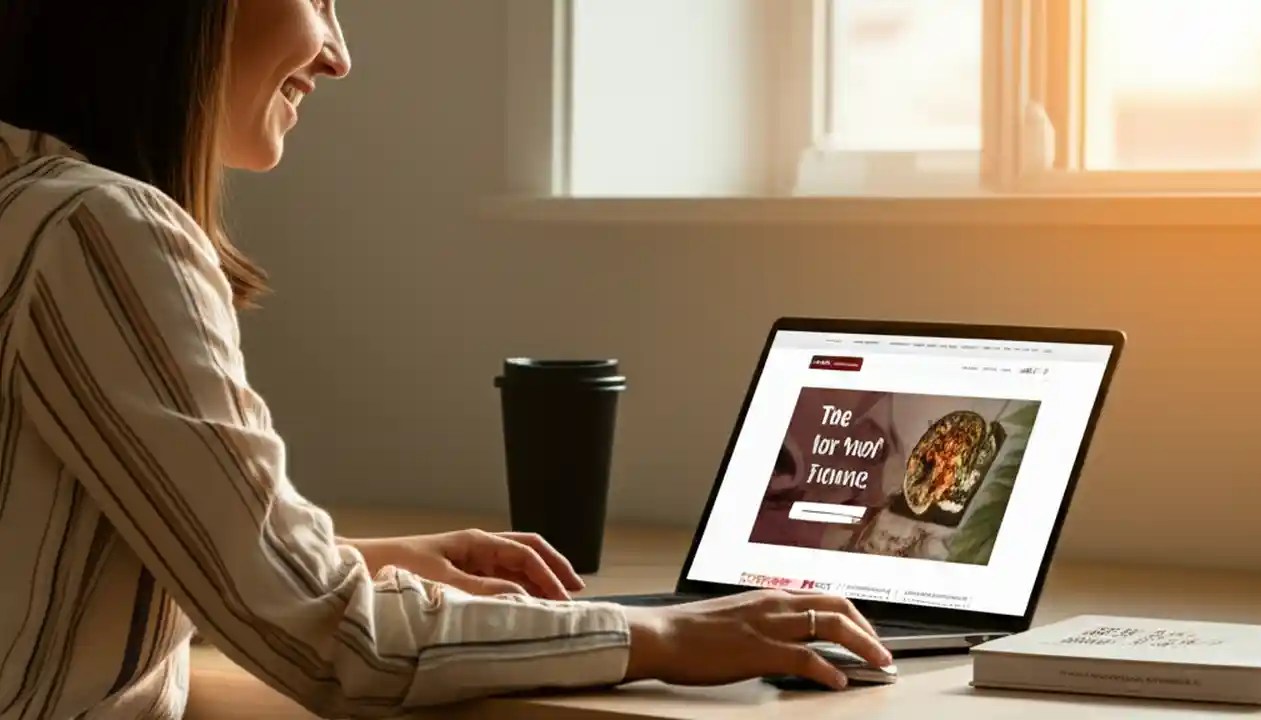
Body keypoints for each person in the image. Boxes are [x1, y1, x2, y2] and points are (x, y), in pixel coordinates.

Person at [0, 1, 892, 718]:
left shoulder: (24, 199)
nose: (338, 54)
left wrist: (364, 557)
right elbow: (337, 644)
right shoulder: (101, 230)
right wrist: (655, 636)